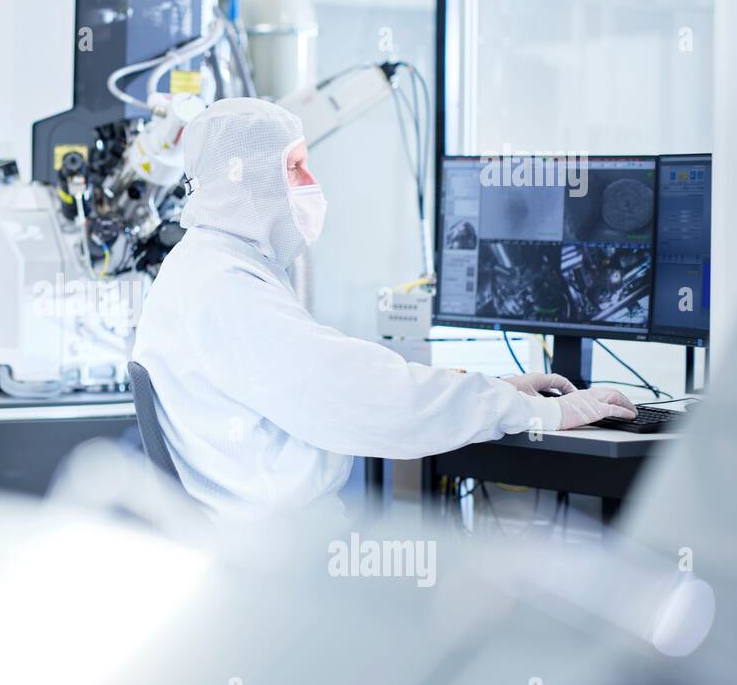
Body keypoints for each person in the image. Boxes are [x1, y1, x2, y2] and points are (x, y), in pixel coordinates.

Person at [132, 97, 636, 519]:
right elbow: (367, 393)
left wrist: (496, 391)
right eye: (293, 166)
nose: (309, 181)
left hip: (257, 544)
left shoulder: (205, 267)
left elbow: (344, 379)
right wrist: (537, 411)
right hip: (278, 560)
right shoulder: (225, 288)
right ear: (244, 178)